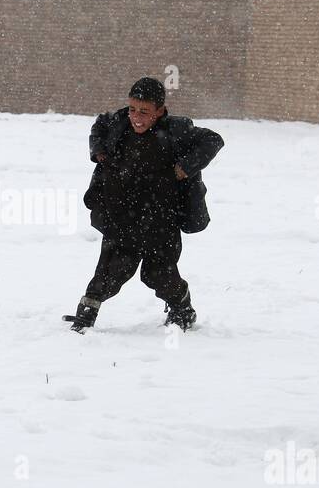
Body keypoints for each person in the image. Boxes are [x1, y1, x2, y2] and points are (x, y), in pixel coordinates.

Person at [64, 76, 223, 332]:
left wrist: (185, 168)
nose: (136, 117)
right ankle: (85, 316)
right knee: (109, 271)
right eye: (133, 109)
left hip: (161, 220)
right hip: (122, 215)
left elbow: (213, 140)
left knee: (158, 275)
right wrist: (98, 151)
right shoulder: (118, 124)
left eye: (145, 112)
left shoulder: (176, 131)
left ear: (159, 111)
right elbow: (99, 127)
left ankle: (183, 309)